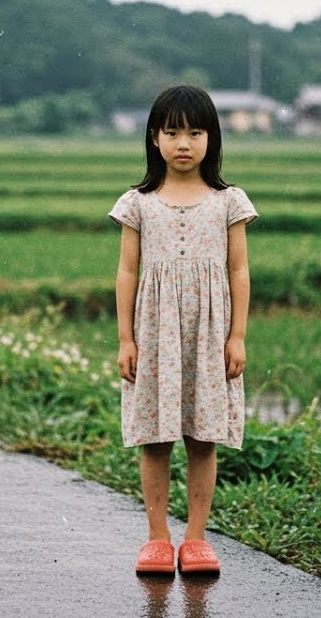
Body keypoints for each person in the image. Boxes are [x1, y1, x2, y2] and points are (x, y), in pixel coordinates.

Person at [108, 85, 257, 576]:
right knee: (155, 437)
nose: (184, 143)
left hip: (209, 334)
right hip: (155, 334)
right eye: (172, 132)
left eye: (196, 132)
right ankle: (156, 538)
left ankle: (195, 539)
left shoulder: (229, 201)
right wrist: (126, 339)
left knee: (203, 437)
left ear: (212, 139)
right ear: (154, 139)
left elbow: (239, 271)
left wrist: (236, 336)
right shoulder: (138, 203)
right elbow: (127, 272)